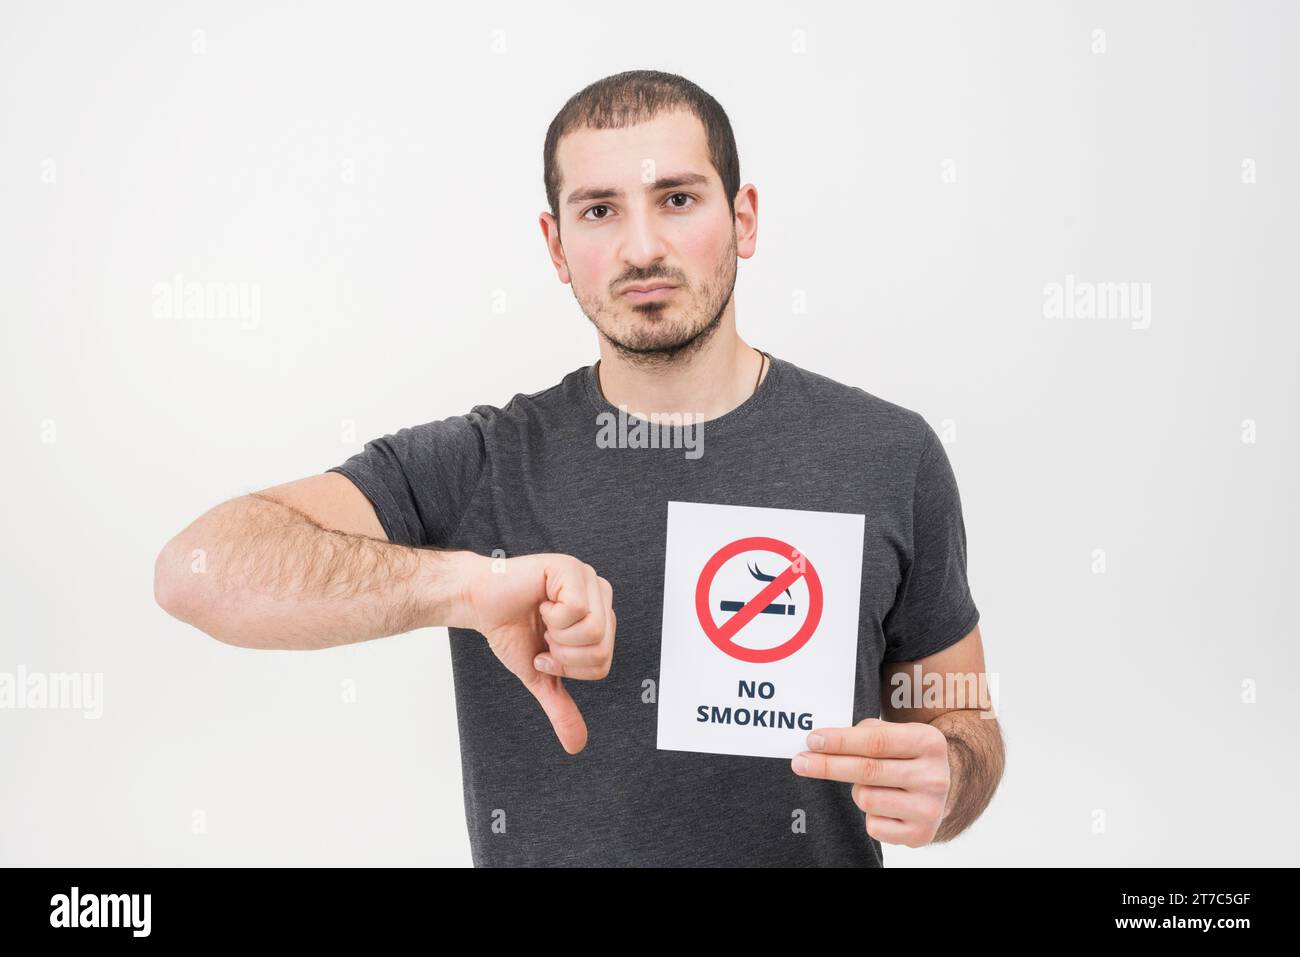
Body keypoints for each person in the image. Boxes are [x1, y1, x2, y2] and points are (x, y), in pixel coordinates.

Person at [154, 69, 1004, 867]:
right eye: (599, 211)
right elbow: (196, 570)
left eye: (677, 199)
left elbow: (962, 717)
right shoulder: (481, 462)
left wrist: (952, 776)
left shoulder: (890, 453)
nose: (641, 248)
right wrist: (461, 586)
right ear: (556, 246)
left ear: (744, 217)